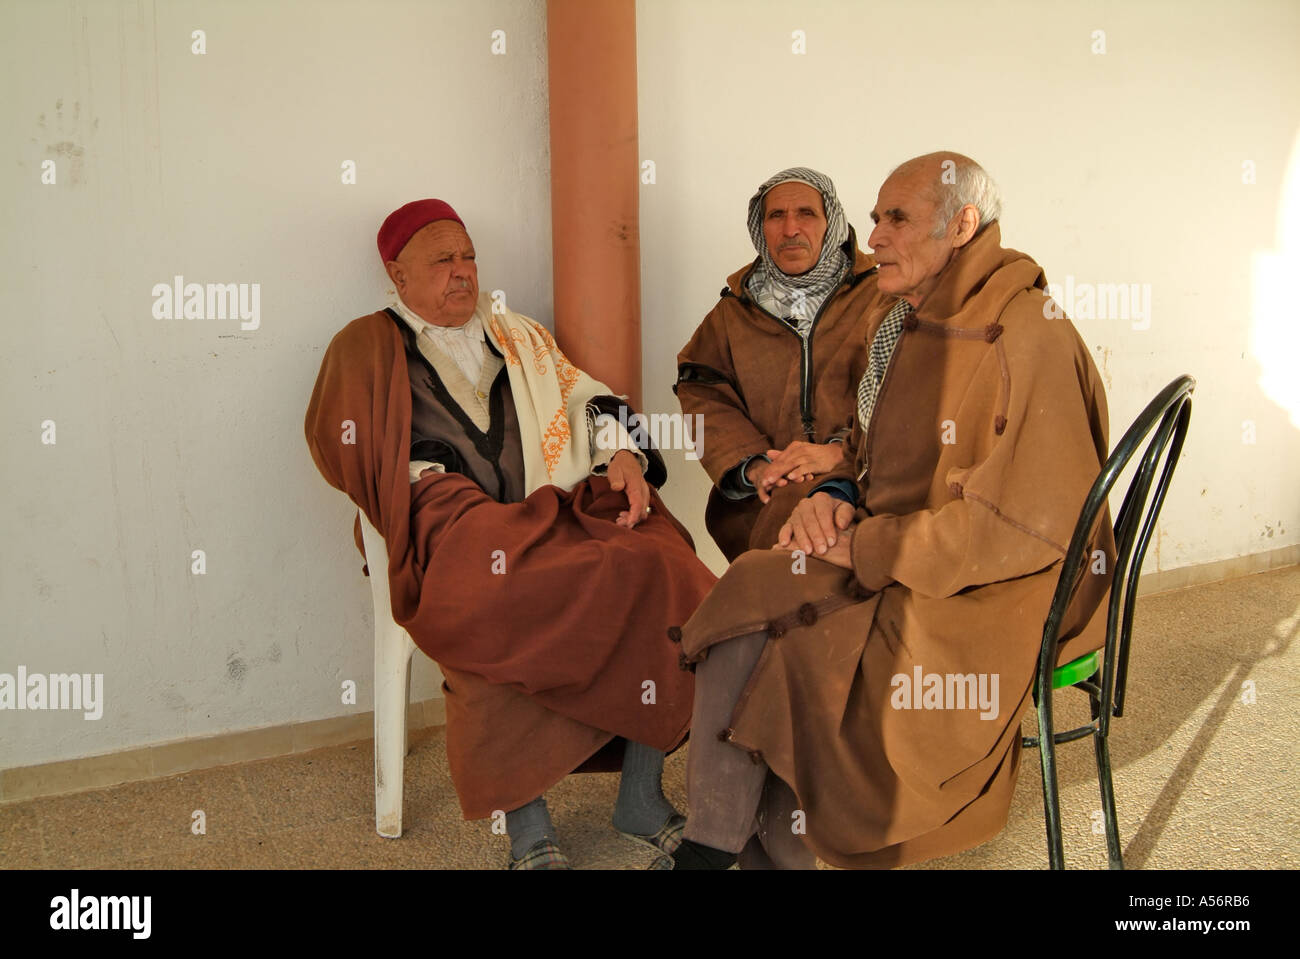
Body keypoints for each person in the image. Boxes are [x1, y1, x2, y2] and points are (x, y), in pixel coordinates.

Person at [668, 153, 1115, 870]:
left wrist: (869, 544)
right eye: (875, 217)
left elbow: (1022, 527)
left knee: (796, 645)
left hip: (992, 592)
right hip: (910, 542)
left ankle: (756, 845)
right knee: (754, 580)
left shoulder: (1027, 332)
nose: (872, 236)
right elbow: (891, 449)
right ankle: (716, 841)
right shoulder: (912, 316)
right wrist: (837, 485)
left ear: (963, 225)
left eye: (895, 219)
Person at [305, 199, 716, 869]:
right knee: (492, 596)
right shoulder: (364, 345)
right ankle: (527, 829)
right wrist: (416, 483)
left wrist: (624, 454)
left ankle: (641, 795)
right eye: (442, 261)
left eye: (468, 257)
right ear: (397, 274)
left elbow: (593, 398)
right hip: (447, 527)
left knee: (664, 562)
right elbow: (337, 440)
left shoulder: (519, 333)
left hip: (552, 515)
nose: (462, 272)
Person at [675, 167, 882, 561]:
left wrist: (842, 452)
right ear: (760, 227)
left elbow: (907, 390)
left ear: (831, 222)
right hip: (761, 500)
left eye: (806, 213)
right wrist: (755, 465)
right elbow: (701, 391)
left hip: (867, 486)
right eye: (776, 216)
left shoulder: (881, 296)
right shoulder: (733, 312)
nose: (790, 229)